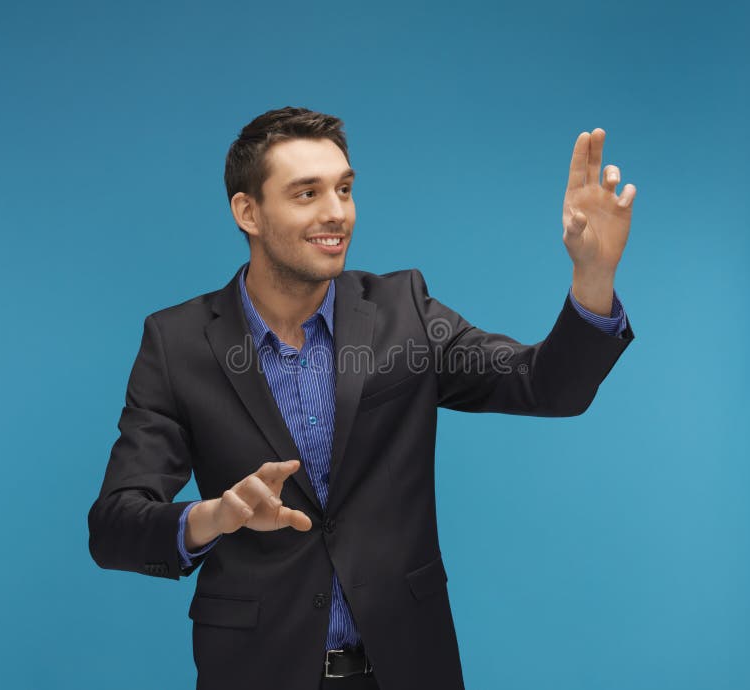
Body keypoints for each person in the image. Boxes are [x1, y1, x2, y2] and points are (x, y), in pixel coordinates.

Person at [88, 106, 636, 690]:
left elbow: (545, 385)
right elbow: (114, 527)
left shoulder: (405, 312)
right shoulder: (177, 343)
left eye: (344, 189)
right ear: (248, 212)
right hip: (257, 672)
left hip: (407, 669)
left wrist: (593, 276)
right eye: (307, 193)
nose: (337, 212)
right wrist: (214, 517)